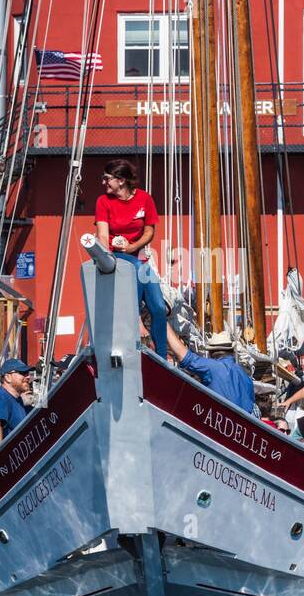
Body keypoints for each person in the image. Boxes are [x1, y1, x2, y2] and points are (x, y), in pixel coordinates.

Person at [95, 157, 168, 359]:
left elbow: (149, 231)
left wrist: (133, 247)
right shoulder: (103, 202)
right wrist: (106, 255)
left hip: (139, 256)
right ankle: (136, 321)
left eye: (107, 178)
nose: (103, 182)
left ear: (121, 180)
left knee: (159, 307)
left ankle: (161, 357)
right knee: (135, 266)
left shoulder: (144, 199)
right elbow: (102, 235)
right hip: (115, 256)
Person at [166, 324, 255, 413]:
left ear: (210, 353)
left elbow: (185, 357)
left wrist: (165, 324)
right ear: (232, 351)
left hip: (217, 418)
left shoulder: (212, 367)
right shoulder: (247, 378)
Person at [0, 358, 35, 463]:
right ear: (8, 377)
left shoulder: (19, 401)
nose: (27, 377)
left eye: (28, 373)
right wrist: (1, 457)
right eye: (22, 373)